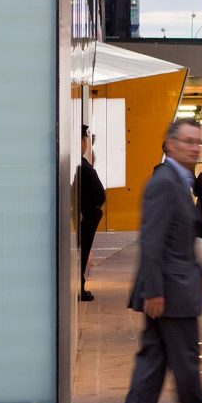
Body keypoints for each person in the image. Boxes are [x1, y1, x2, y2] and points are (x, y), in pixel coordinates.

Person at [116, 118, 202, 403]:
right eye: (187, 140)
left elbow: (178, 239)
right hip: (169, 292)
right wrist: (155, 290)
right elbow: (152, 240)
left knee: (152, 360)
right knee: (186, 362)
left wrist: (200, 270)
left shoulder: (178, 180)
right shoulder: (165, 181)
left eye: (197, 142)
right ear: (169, 143)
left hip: (173, 285)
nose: (194, 147)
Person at [78, 125, 106, 301]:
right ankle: (79, 285)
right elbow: (97, 194)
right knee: (82, 251)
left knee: (83, 252)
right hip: (86, 215)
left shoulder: (81, 164)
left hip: (86, 214)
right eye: (85, 139)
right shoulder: (82, 166)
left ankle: (80, 284)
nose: (86, 143)